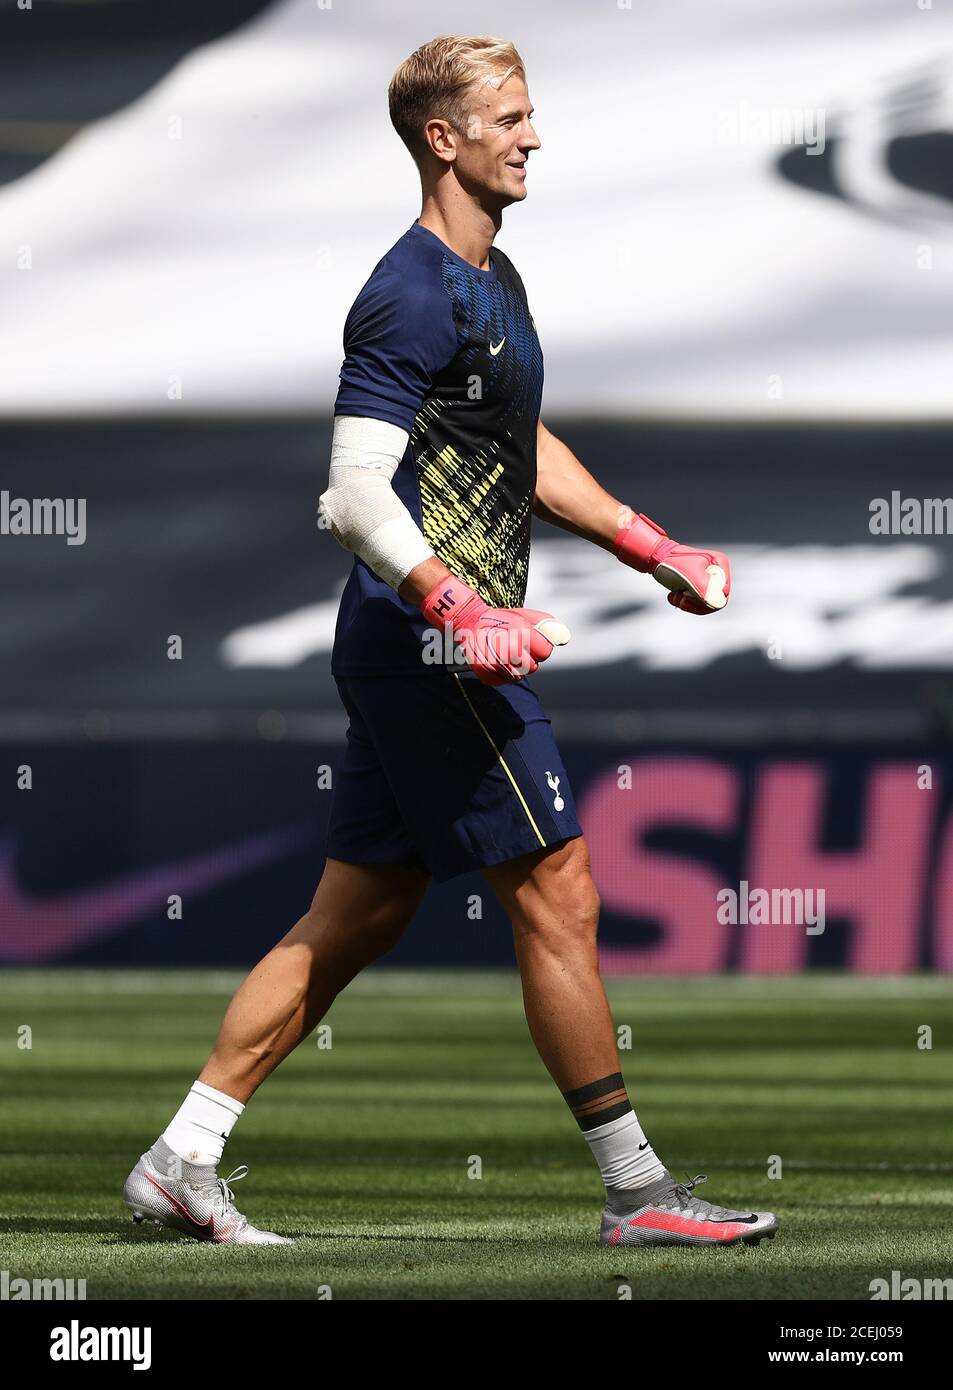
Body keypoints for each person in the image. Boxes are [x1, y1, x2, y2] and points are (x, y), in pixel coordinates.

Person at [123, 33, 775, 1251]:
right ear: (444, 138)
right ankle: (636, 1194)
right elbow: (355, 495)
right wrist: (459, 609)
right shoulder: (407, 291)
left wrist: (651, 544)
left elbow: (517, 450)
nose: (532, 136)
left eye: (530, 116)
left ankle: (181, 1158)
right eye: (510, 117)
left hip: (421, 644)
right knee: (558, 891)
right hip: (434, 647)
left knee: (356, 917)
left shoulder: (497, 281)